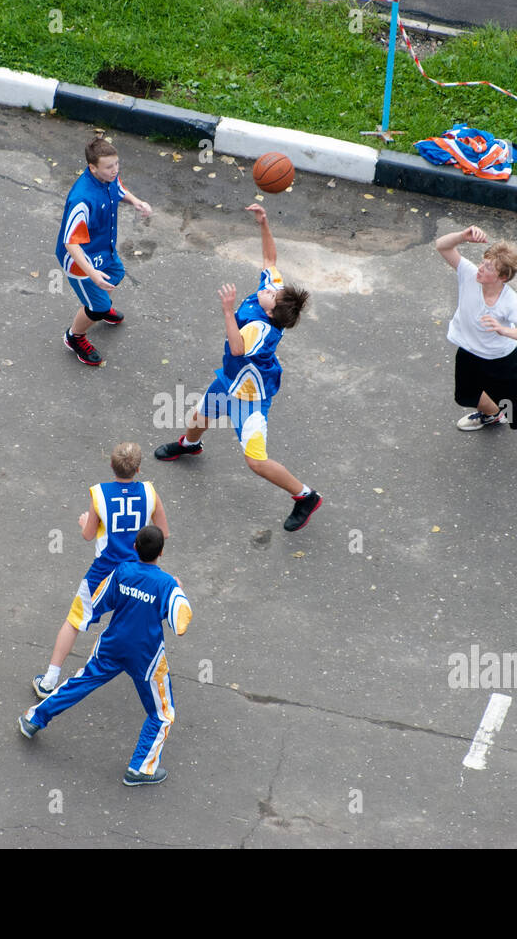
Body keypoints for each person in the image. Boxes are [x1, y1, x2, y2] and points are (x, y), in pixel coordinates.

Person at [154, 204, 321, 532]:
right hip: (231, 380)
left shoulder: (261, 327)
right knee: (201, 415)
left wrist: (228, 311)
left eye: (271, 295)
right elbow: (270, 260)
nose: (268, 289)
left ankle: (306, 496)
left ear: (272, 313)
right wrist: (264, 223)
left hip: (250, 397)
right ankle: (191, 445)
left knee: (255, 461)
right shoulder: (271, 294)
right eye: (272, 289)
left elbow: (237, 348)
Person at [18, 525, 192, 786]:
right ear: (162, 552)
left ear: (135, 547)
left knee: (80, 683)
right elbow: (181, 624)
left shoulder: (122, 571)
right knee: (162, 714)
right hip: (146, 658)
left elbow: (98, 603)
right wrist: (178, 590)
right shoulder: (167, 584)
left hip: (112, 646)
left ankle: (34, 719)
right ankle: (141, 768)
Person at [31, 442, 169, 700]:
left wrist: (86, 522)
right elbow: (163, 532)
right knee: (137, 618)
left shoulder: (100, 494)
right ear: (138, 469)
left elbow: (87, 535)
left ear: (111, 465)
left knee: (74, 621)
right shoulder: (150, 493)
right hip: (138, 572)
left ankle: (49, 680)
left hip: (104, 571)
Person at [435, 226, 517, 478]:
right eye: (483, 263)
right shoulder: (468, 274)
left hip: (499, 366)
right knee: (467, 396)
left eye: (488, 268)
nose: (481, 269)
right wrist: (463, 236)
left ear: (502, 278)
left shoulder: (511, 301)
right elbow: (443, 245)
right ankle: (493, 415)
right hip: (469, 355)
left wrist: (503, 330)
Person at [56, 135, 153, 366]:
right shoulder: (83, 198)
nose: (115, 170)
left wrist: (137, 202)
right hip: (82, 263)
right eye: (109, 167)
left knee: (116, 275)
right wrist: (92, 273)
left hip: (104, 250)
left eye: (116, 164)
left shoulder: (108, 177)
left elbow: (119, 189)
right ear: (92, 167)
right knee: (97, 306)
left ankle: (100, 306)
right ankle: (75, 336)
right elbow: (71, 243)